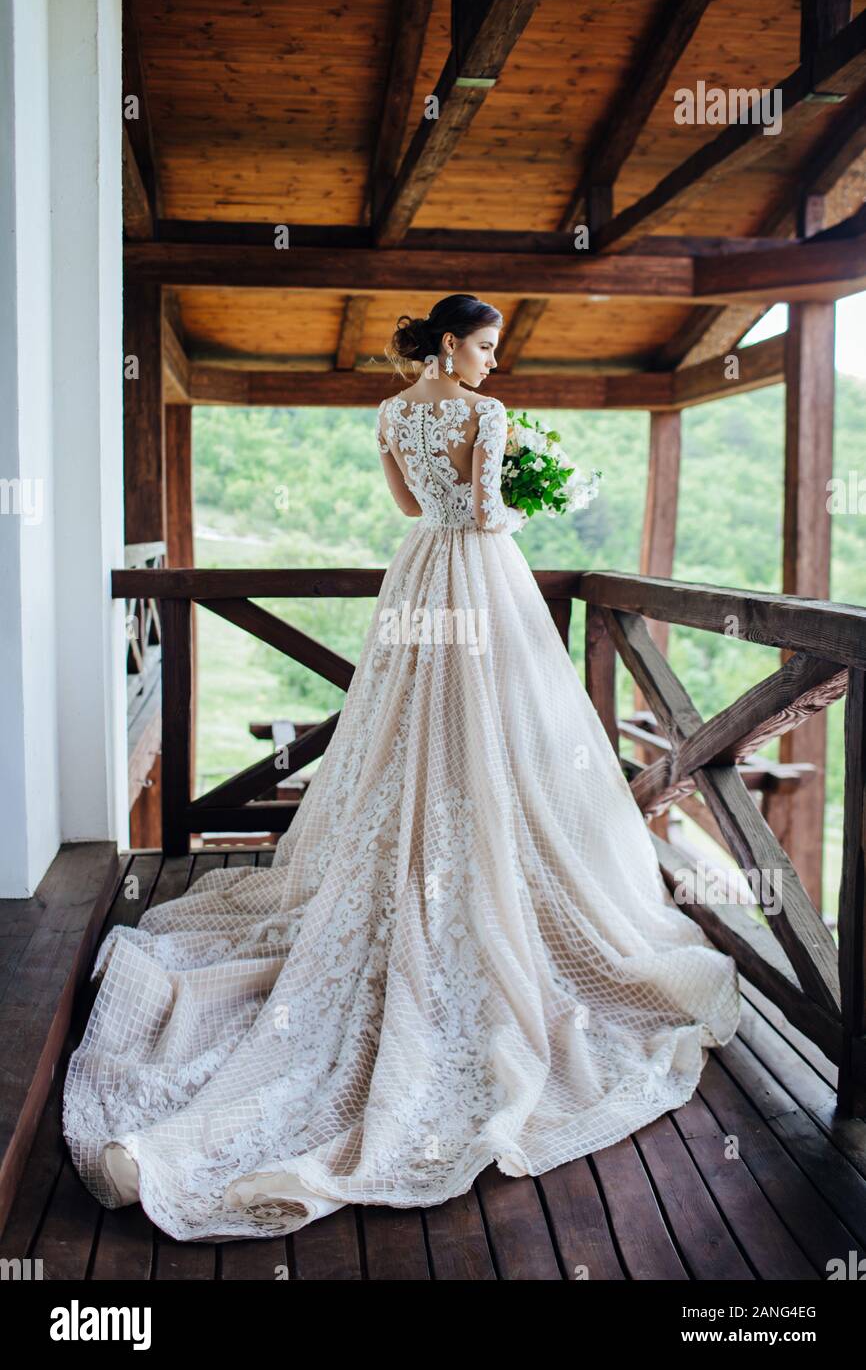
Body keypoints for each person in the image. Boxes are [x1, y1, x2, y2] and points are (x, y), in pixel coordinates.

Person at [62, 293, 741, 1244]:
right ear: (456, 344)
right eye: (489, 347)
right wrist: (526, 489)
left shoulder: (391, 412)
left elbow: (409, 506)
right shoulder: (484, 415)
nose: (495, 364)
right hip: (478, 573)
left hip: (417, 572)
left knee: (406, 728)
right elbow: (483, 510)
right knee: (501, 731)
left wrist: (470, 490)